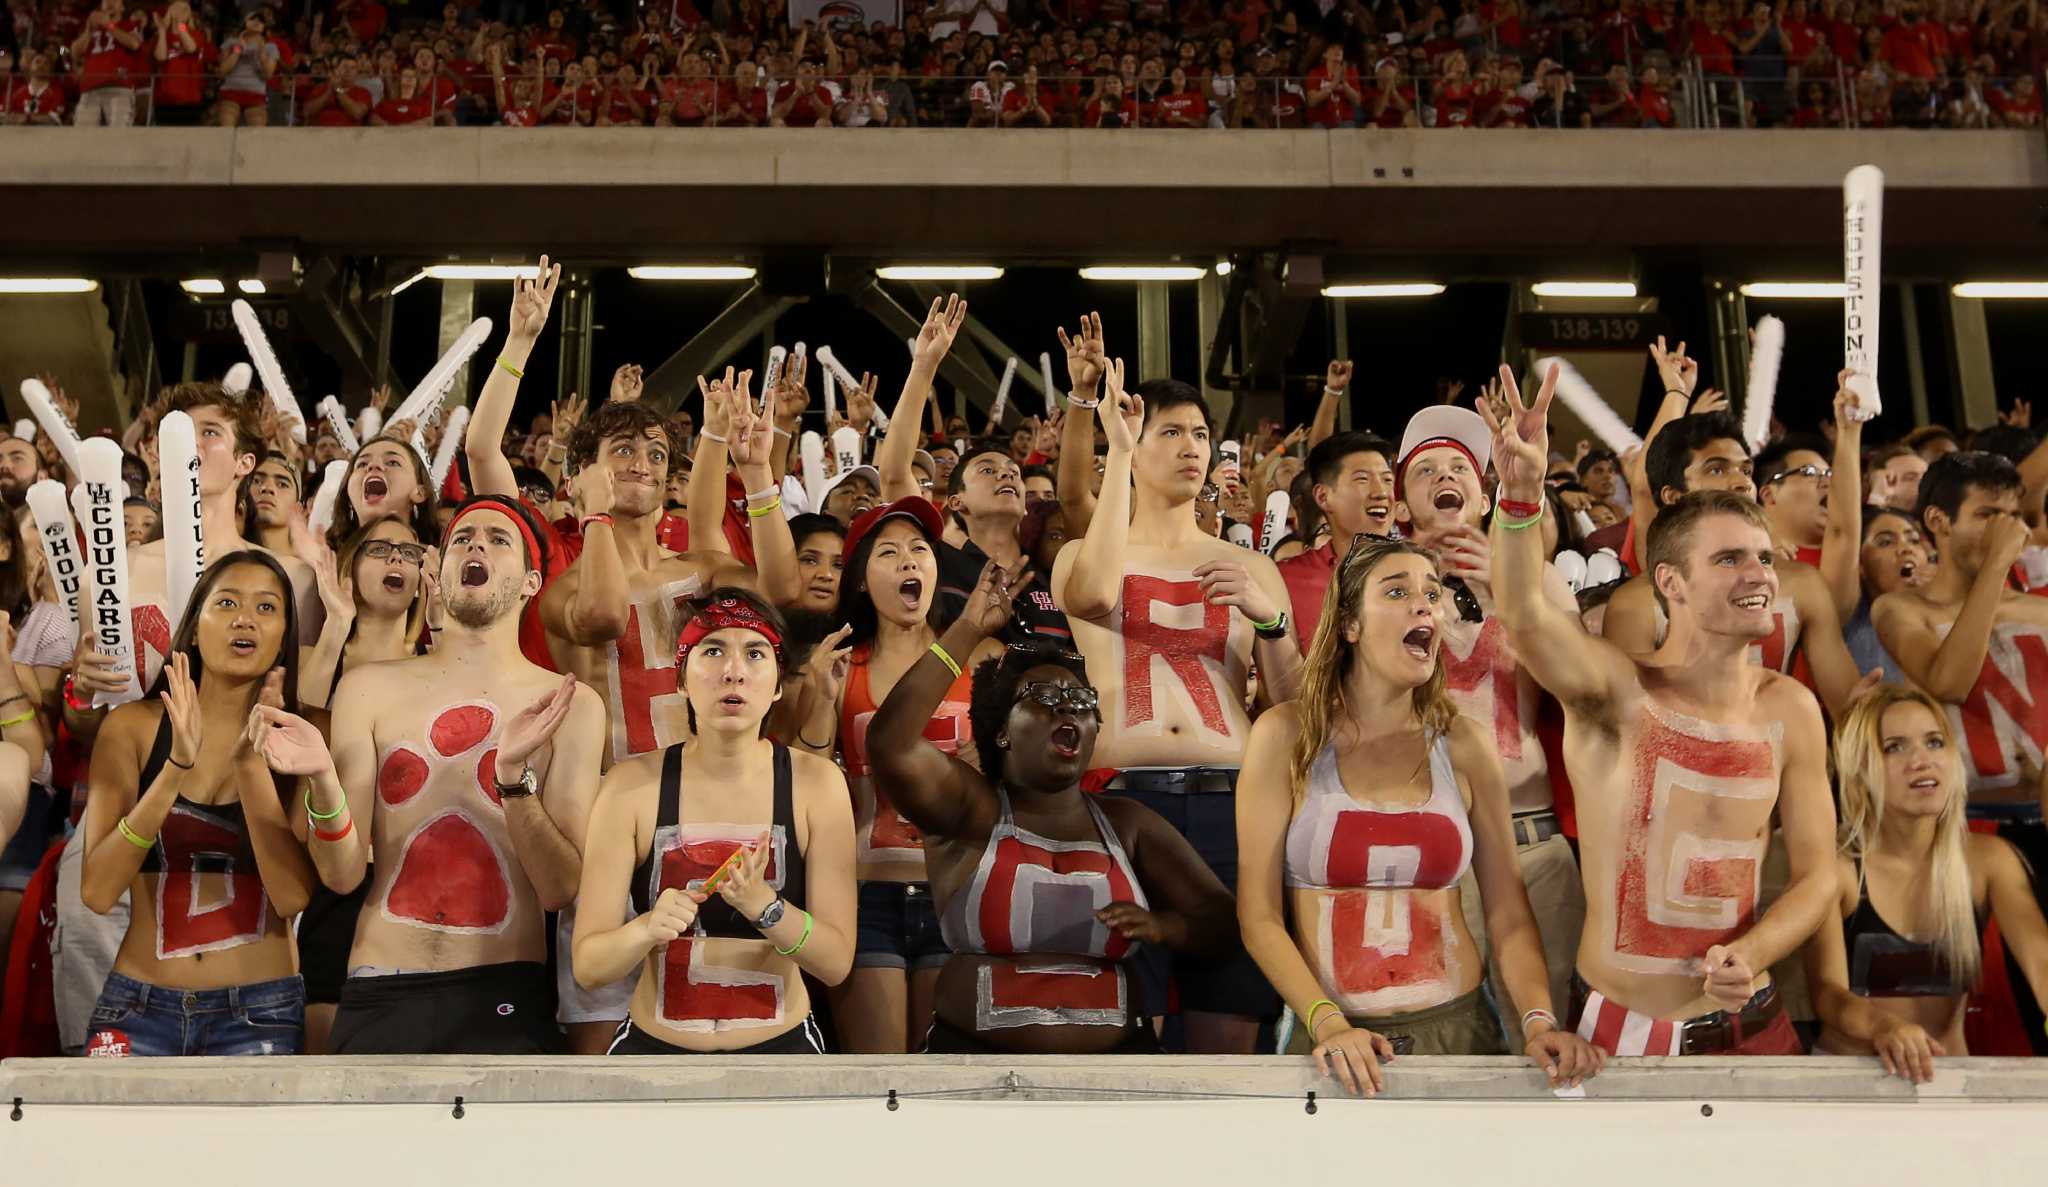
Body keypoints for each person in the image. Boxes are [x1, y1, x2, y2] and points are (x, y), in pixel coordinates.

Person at [1486, 364, 1835, 1057]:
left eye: (1764, 557)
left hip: (1753, 1028)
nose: (1760, 575)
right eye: (1731, 558)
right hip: (1619, 1034)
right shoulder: (1619, 694)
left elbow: (1818, 871)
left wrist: (1756, 948)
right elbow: (1524, 614)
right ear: (1670, 581)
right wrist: (1520, 499)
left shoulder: (1790, 707)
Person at [1237, 536, 1604, 1095]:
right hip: (1331, 1040)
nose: (1424, 605)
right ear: (1349, 625)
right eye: (1397, 591)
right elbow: (1259, 917)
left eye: (1432, 593)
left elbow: (1507, 913)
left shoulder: (1463, 742)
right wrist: (1328, 1022)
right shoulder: (1285, 736)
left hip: (1461, 1028)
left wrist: (1537, 1020)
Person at [252, 496, 606, 1054]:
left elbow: (560, 887)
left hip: (505, 988)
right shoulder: (368, 688)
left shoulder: (569, 705)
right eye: (463, 538)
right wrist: (323, 780)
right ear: (437, 571)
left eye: (498, 538)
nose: (477, 545)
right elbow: (341, 875)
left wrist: (511, 780)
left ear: (532, 582)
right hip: (380, 984)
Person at [868, 566, 1237, 1053]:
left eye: (1081, 700)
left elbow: (1223, 922)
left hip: (1114, 1078)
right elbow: (890, 744)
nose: (1067, 708)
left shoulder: (1128, 824)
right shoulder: (970, 808)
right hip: (977, 1077)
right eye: (1043, 696)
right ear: (1001, 730)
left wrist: (1165, 926)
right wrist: (967, 631)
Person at [1051, 359, 1302, 1052]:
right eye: (1170, 431)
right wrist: (1119, 454)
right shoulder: (1083, 551)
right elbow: (1093, 597)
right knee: (1131, 1020)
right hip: (1127, 806)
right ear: (1130, 442)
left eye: (1200, 432)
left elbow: (1291, 708)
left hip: (1236, 801)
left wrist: (1271, 622)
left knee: (1232, 1014)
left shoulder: (1252, 568)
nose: (1191, 446)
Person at [572, 589, 855, 1054]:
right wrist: (645, 928)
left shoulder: (817, 784)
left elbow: (836, 960)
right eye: (713, 650)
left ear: (779, 683)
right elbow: (588, 965)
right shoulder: (628, 787)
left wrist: (767, 907)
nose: (733, 671)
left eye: (755, 653)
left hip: (780, 1048)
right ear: (682, 680)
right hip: (655, 1049)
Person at [1391, 402, 1587, 1036]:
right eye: (1425, 471)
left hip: (1533, 845)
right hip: (1425, 845)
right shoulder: (1373, 591)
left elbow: (1585, 691)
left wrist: (1515, 590)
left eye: (1460, 467)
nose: (1445, 476)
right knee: (1440, 1035)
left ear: (1484, 497)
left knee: (1546, 1029)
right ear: (1401, 509)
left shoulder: (1544, 585)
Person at [77, 552, 316, 1056]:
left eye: (266, 608)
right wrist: (173, 770)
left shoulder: (303, 736)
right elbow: (98, 891)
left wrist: (253, 768)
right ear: (193, 625)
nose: (244, 618)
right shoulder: (132, 728)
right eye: (226, 602)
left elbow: (293, 896)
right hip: (137, 1007)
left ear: (283, 638)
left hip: (259, 1013)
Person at [1871, 448, 2048, 1049]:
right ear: (1939, 522)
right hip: (1966, 836)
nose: (2008, 529)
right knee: (1991, 1024)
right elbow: (1948, 681)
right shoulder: (1900, 610)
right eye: (1988, 515)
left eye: (2013, 515)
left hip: (2044, 821)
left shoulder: (2040, 609)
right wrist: (1998, 566)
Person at [800, 497, 974, 1052]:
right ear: (860, 580)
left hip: (957, 893)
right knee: (878, 1078)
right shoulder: (838, 666)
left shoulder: (979, 657)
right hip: (863, 892)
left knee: (940, 1082)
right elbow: (804, 775)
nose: (908, 562)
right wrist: (819, 701)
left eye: (920, 550)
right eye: (889, 552)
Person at [1806, 684, 2048, 1081]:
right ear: (1860, 768)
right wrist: (1884, 1027)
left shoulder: (1988, 861)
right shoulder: (1839, 870)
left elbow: (2040, 962)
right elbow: (1827, 995)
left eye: (1934, 742)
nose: (1921, 760)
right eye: (1894, 747)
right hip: (1850, 1080)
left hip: (1949, 1080)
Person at [1599, 410, 1871, 718]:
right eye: (1716, 470)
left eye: (1745, 470)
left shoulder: (1802, 584)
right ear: (1674, 497)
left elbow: (1850, 711)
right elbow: (1627, 727)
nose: (1741, 482)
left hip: (1785, 757)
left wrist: (1872, 714)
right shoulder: (1634, 605)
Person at [876, 295, 1062, 640]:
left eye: (1013, 471)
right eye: (988, 470)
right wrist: (924, 367)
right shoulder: (937, 563)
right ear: (956, 502)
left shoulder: (1052, 574)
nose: (1007, 473)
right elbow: (894, 474)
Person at [1276, 431, 1396, 644]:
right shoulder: (1285, 581)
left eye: (1387, 479)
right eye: (1363, 479)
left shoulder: (1419, 573)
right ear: (1323, 497)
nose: (1381, 492)